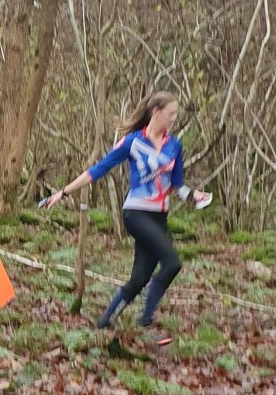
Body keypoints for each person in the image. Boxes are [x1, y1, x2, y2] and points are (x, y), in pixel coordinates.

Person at [43, 92, 211, 344]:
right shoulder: (132, 142)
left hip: (159, 217)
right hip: (136, 212)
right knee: (172, 262)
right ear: (156, 112)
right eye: (171, 114)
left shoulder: (174, 145)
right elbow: (98, 169)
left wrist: (194, 195)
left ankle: (104, 323)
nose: (174, 119)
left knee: (140, 278)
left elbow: (176, 184)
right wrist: (63, 191)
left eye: (176, 114)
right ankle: (145, 320)